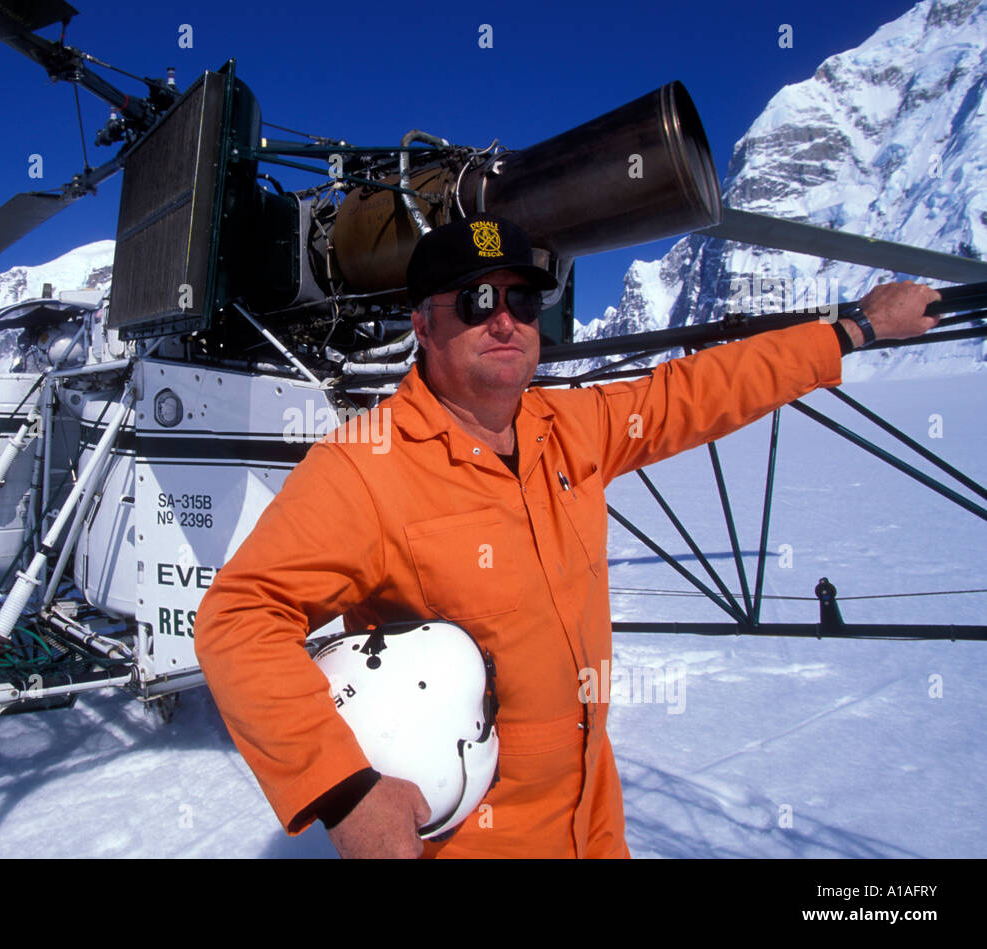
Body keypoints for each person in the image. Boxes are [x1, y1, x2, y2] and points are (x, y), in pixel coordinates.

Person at [192, 215, 941, 858]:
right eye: (477, 298)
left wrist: (852, 330)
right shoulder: (365, 469)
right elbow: (239, 619)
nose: (505, 317)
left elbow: (697, 390)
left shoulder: (569, 428)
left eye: (522, 297)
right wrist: (346, 793)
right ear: (422, 323)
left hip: (593, 828)